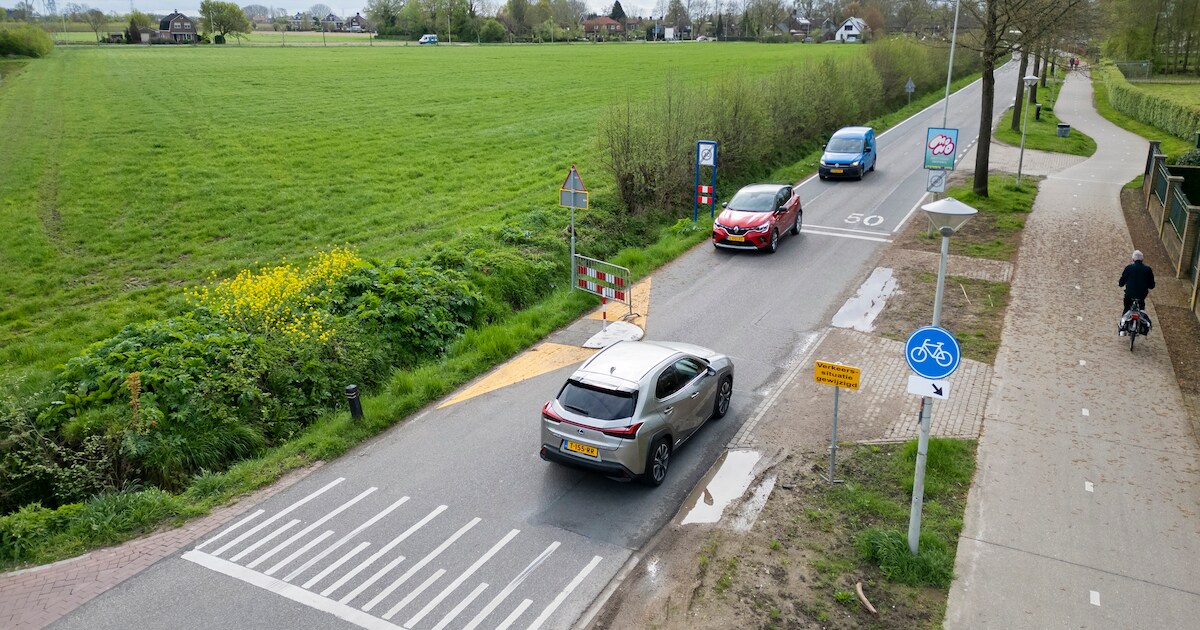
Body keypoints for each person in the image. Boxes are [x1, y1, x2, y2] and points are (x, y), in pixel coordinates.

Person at [1118, 250, 1155, 335]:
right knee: (1141, 308)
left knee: (1127, 308)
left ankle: (1122, 327)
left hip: (1129, 294)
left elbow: (1121, 282)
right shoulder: (1148, 270)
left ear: (1133, 259)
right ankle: (1143, 326)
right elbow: (1152, 285)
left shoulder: (1129, 268)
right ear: (1142, 260)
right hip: (1141, 295)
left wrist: (1122, 284)